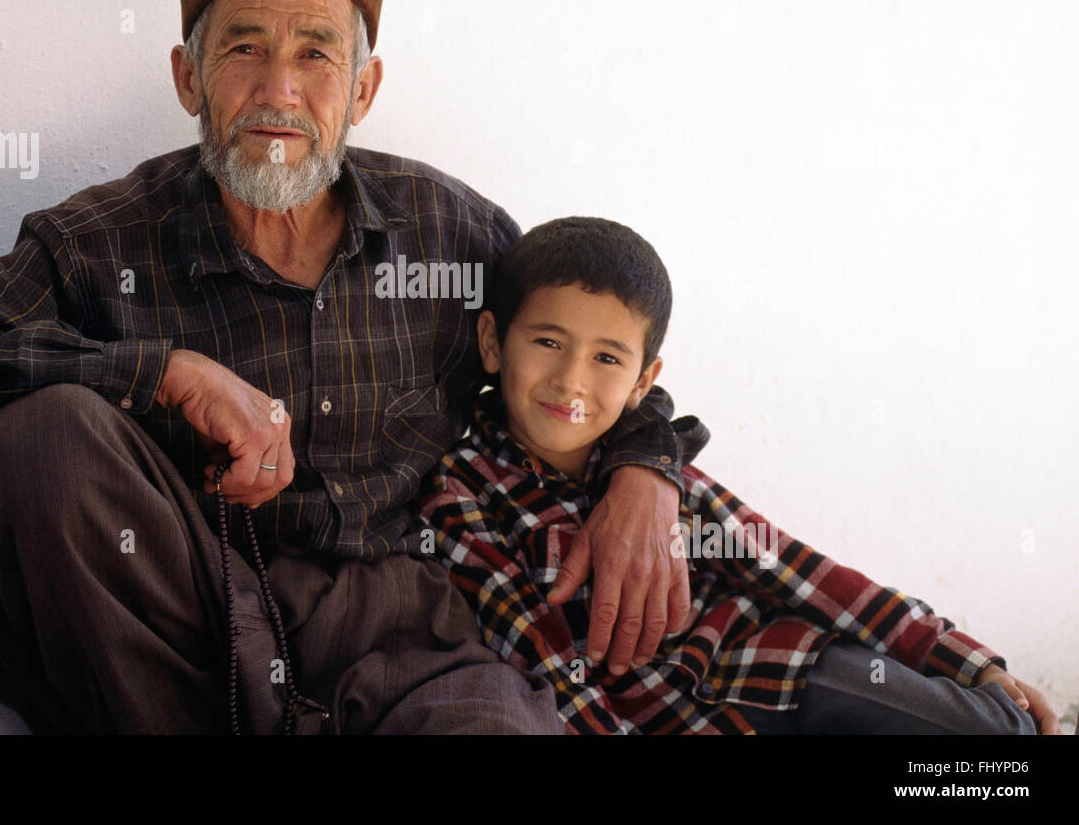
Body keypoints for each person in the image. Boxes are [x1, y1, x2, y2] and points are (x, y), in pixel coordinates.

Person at [0, 0, 696, 734]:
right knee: (41, 436)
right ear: (189, 76)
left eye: (316, 55)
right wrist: (162, 373)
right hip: (193, 626)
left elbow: (581, 351)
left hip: (417, 640)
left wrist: (645, 472)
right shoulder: (97, 239)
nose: (279, 91)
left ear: (363, 90)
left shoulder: (452, 230)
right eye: (244, 49)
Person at [419, 216, 1060, 734]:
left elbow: (795, 570)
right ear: (493, 343)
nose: (571, 380)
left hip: (776, 664)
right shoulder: (464, 494)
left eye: (607, 357)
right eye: (548, 343)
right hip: (659, 715)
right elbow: (541, 661)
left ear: (644, 381)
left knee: (999, 733)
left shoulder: (650, 469)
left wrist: (965, 662)